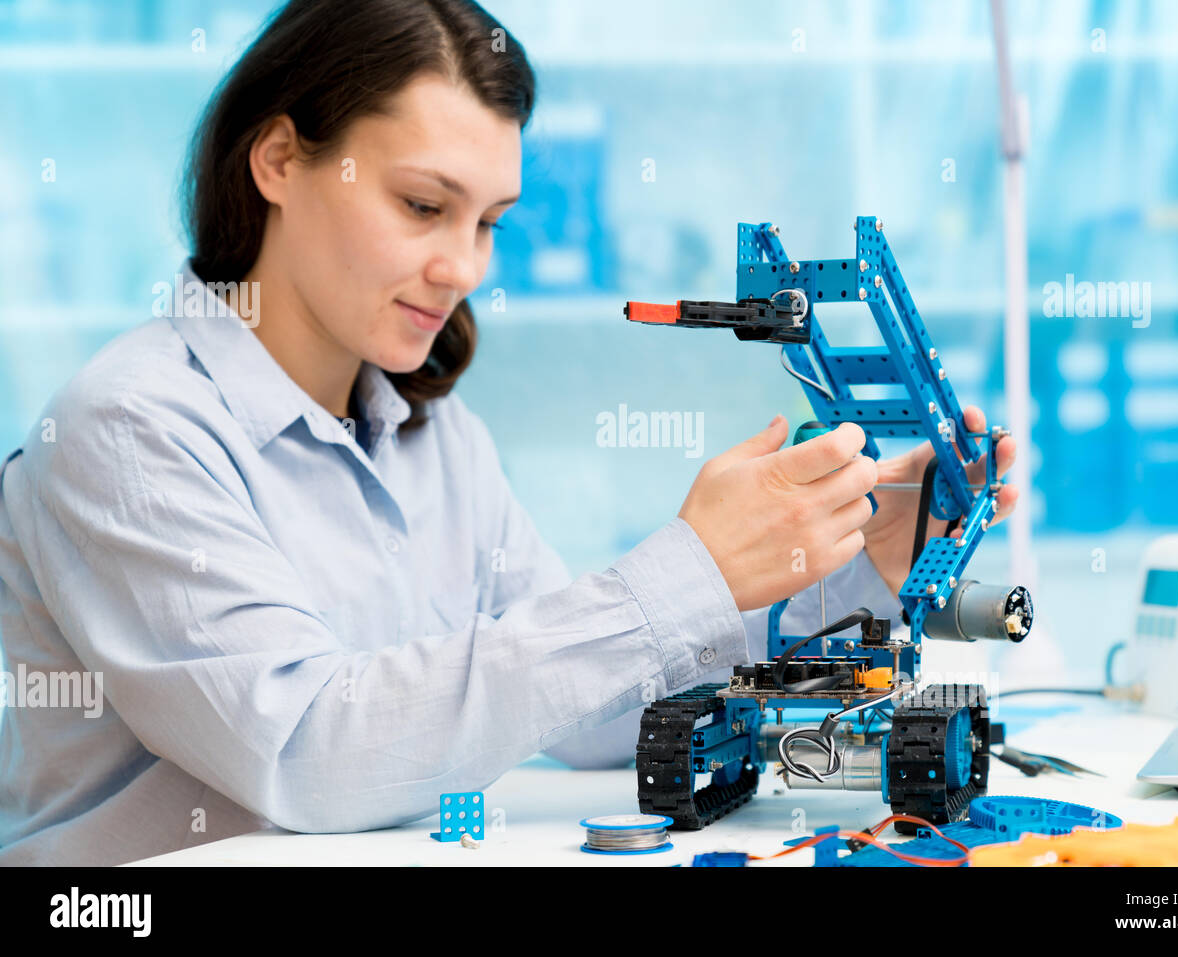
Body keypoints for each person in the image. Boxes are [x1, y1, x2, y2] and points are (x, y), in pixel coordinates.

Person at [0, 0, 1017, 866]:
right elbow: (307, 753)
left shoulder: (431, 435)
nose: (464, 267)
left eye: (486, 223)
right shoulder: (127, 430)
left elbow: (590, 710)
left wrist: (854, 563)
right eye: (422, 206)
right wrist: (683, 568)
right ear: (277, 159)